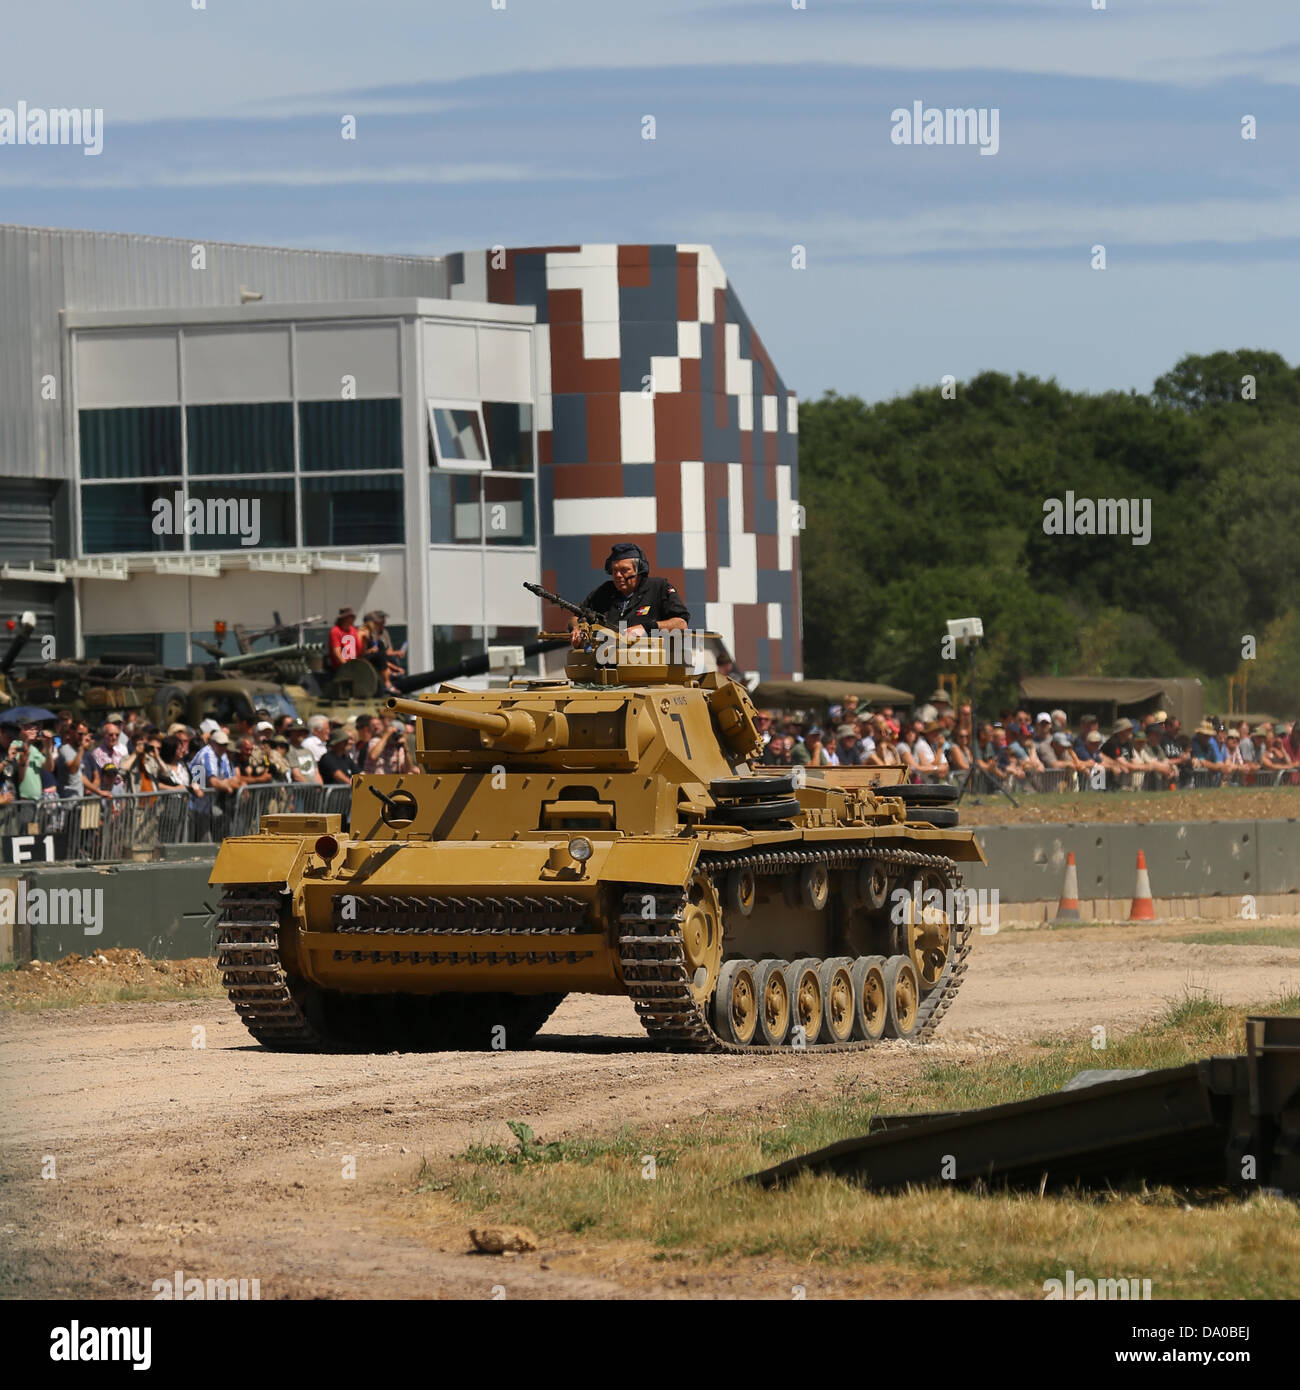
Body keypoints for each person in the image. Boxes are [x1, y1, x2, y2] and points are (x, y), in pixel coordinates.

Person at [571, 542, 689, 650]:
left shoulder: (659, 588)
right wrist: (577, 629)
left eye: (624, 570)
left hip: (650, 665)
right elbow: (576, 617)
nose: (618, 575)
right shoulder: (604, 591)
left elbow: (681, 624)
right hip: (606, 665)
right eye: (614, 570)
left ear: (639, 570)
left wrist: (645, 628)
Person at [189, 729, 238, 842]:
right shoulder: (207, 754)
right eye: (220, 744)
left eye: (225, 745)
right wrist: (226, 786)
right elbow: (213, 782)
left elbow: (231, 779)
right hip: (195, 805)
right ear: (212, 743)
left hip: (209, 804)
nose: (223, 747)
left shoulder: (223, 755)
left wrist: (226, 784)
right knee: (200, 842)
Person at [327, 606, 362, 673]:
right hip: (341, 668)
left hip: (354, 665)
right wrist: (347, 667)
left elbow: (359, 651)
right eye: (349, 617)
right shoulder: (335, 631)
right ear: (343, 618)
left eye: (352, 617)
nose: (351, 619)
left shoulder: (353, 630)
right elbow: (337, 653)